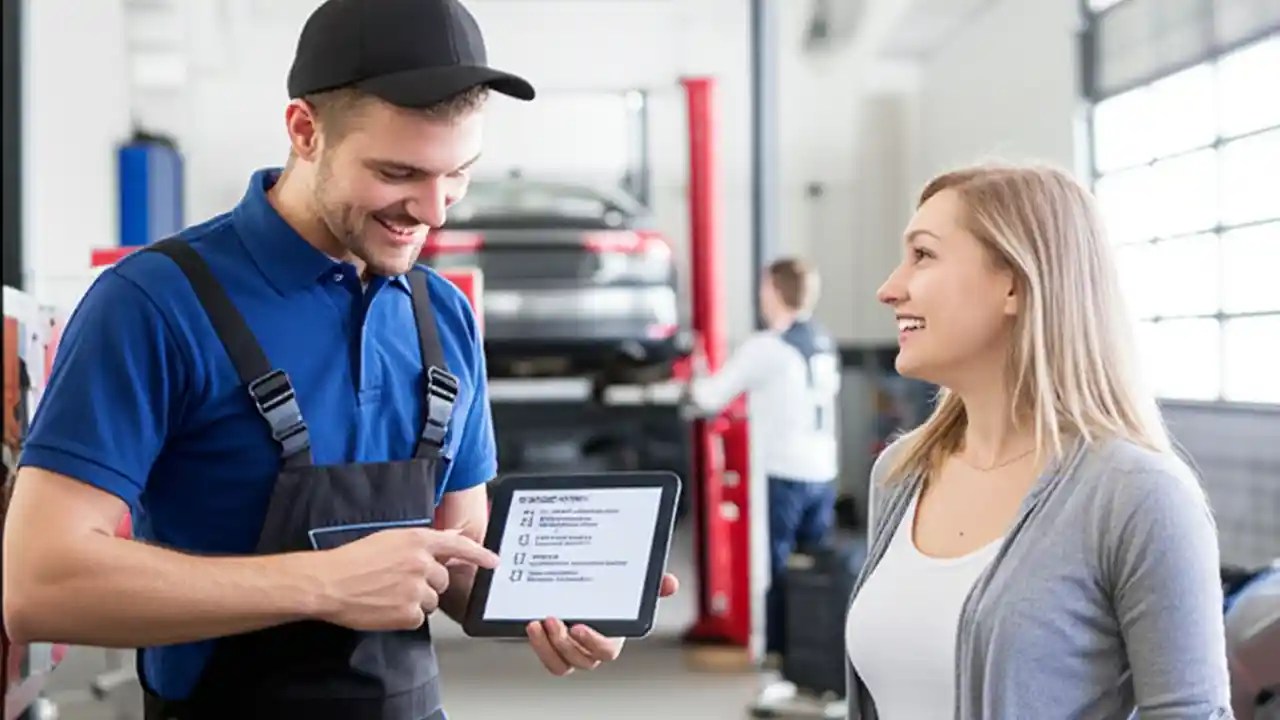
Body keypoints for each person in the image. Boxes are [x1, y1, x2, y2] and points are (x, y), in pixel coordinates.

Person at [0, 1, 676, 718]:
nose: (436, 211)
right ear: (304, 130)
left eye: (458, 175)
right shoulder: (153, 303)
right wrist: (325, 584)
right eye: (399, 172)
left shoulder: (441, 313)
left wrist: (555, 597)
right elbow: (40, 583)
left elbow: (458, 549)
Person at [844, 163, 1232, 719]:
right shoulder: (902, 473)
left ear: (1015, 283)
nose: (889, 288)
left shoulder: (1138, 495)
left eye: (923, 255)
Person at [681, 258, 842, 701]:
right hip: (823, 471)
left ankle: (775, 662)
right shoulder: (822, 343)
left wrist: (692, 375)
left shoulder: (767, 347)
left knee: (772, 570)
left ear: (773, 290)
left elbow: (709, 397)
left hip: (783, 473)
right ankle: (820, 664)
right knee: (815, 572)